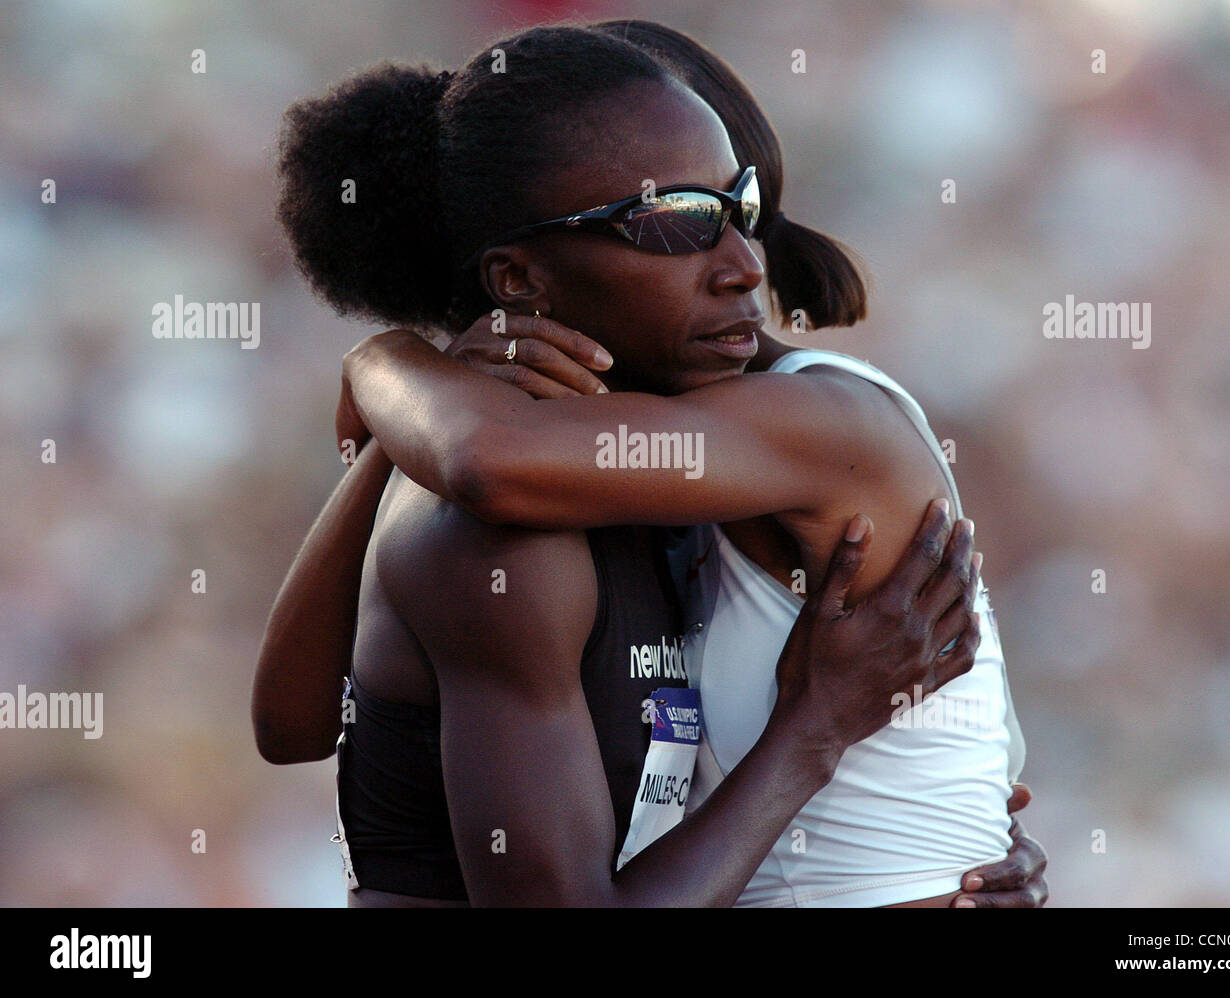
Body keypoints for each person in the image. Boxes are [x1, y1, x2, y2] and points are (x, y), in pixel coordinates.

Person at [255, 23, 1047, 907]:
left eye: (738, 207)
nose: (742, 265)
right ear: (518, 278)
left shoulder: (788, 432)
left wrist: (956, 831)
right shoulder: (519, 517)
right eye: (675, 221)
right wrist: (815, 730)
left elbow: (484, 453)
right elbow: (294, 721)